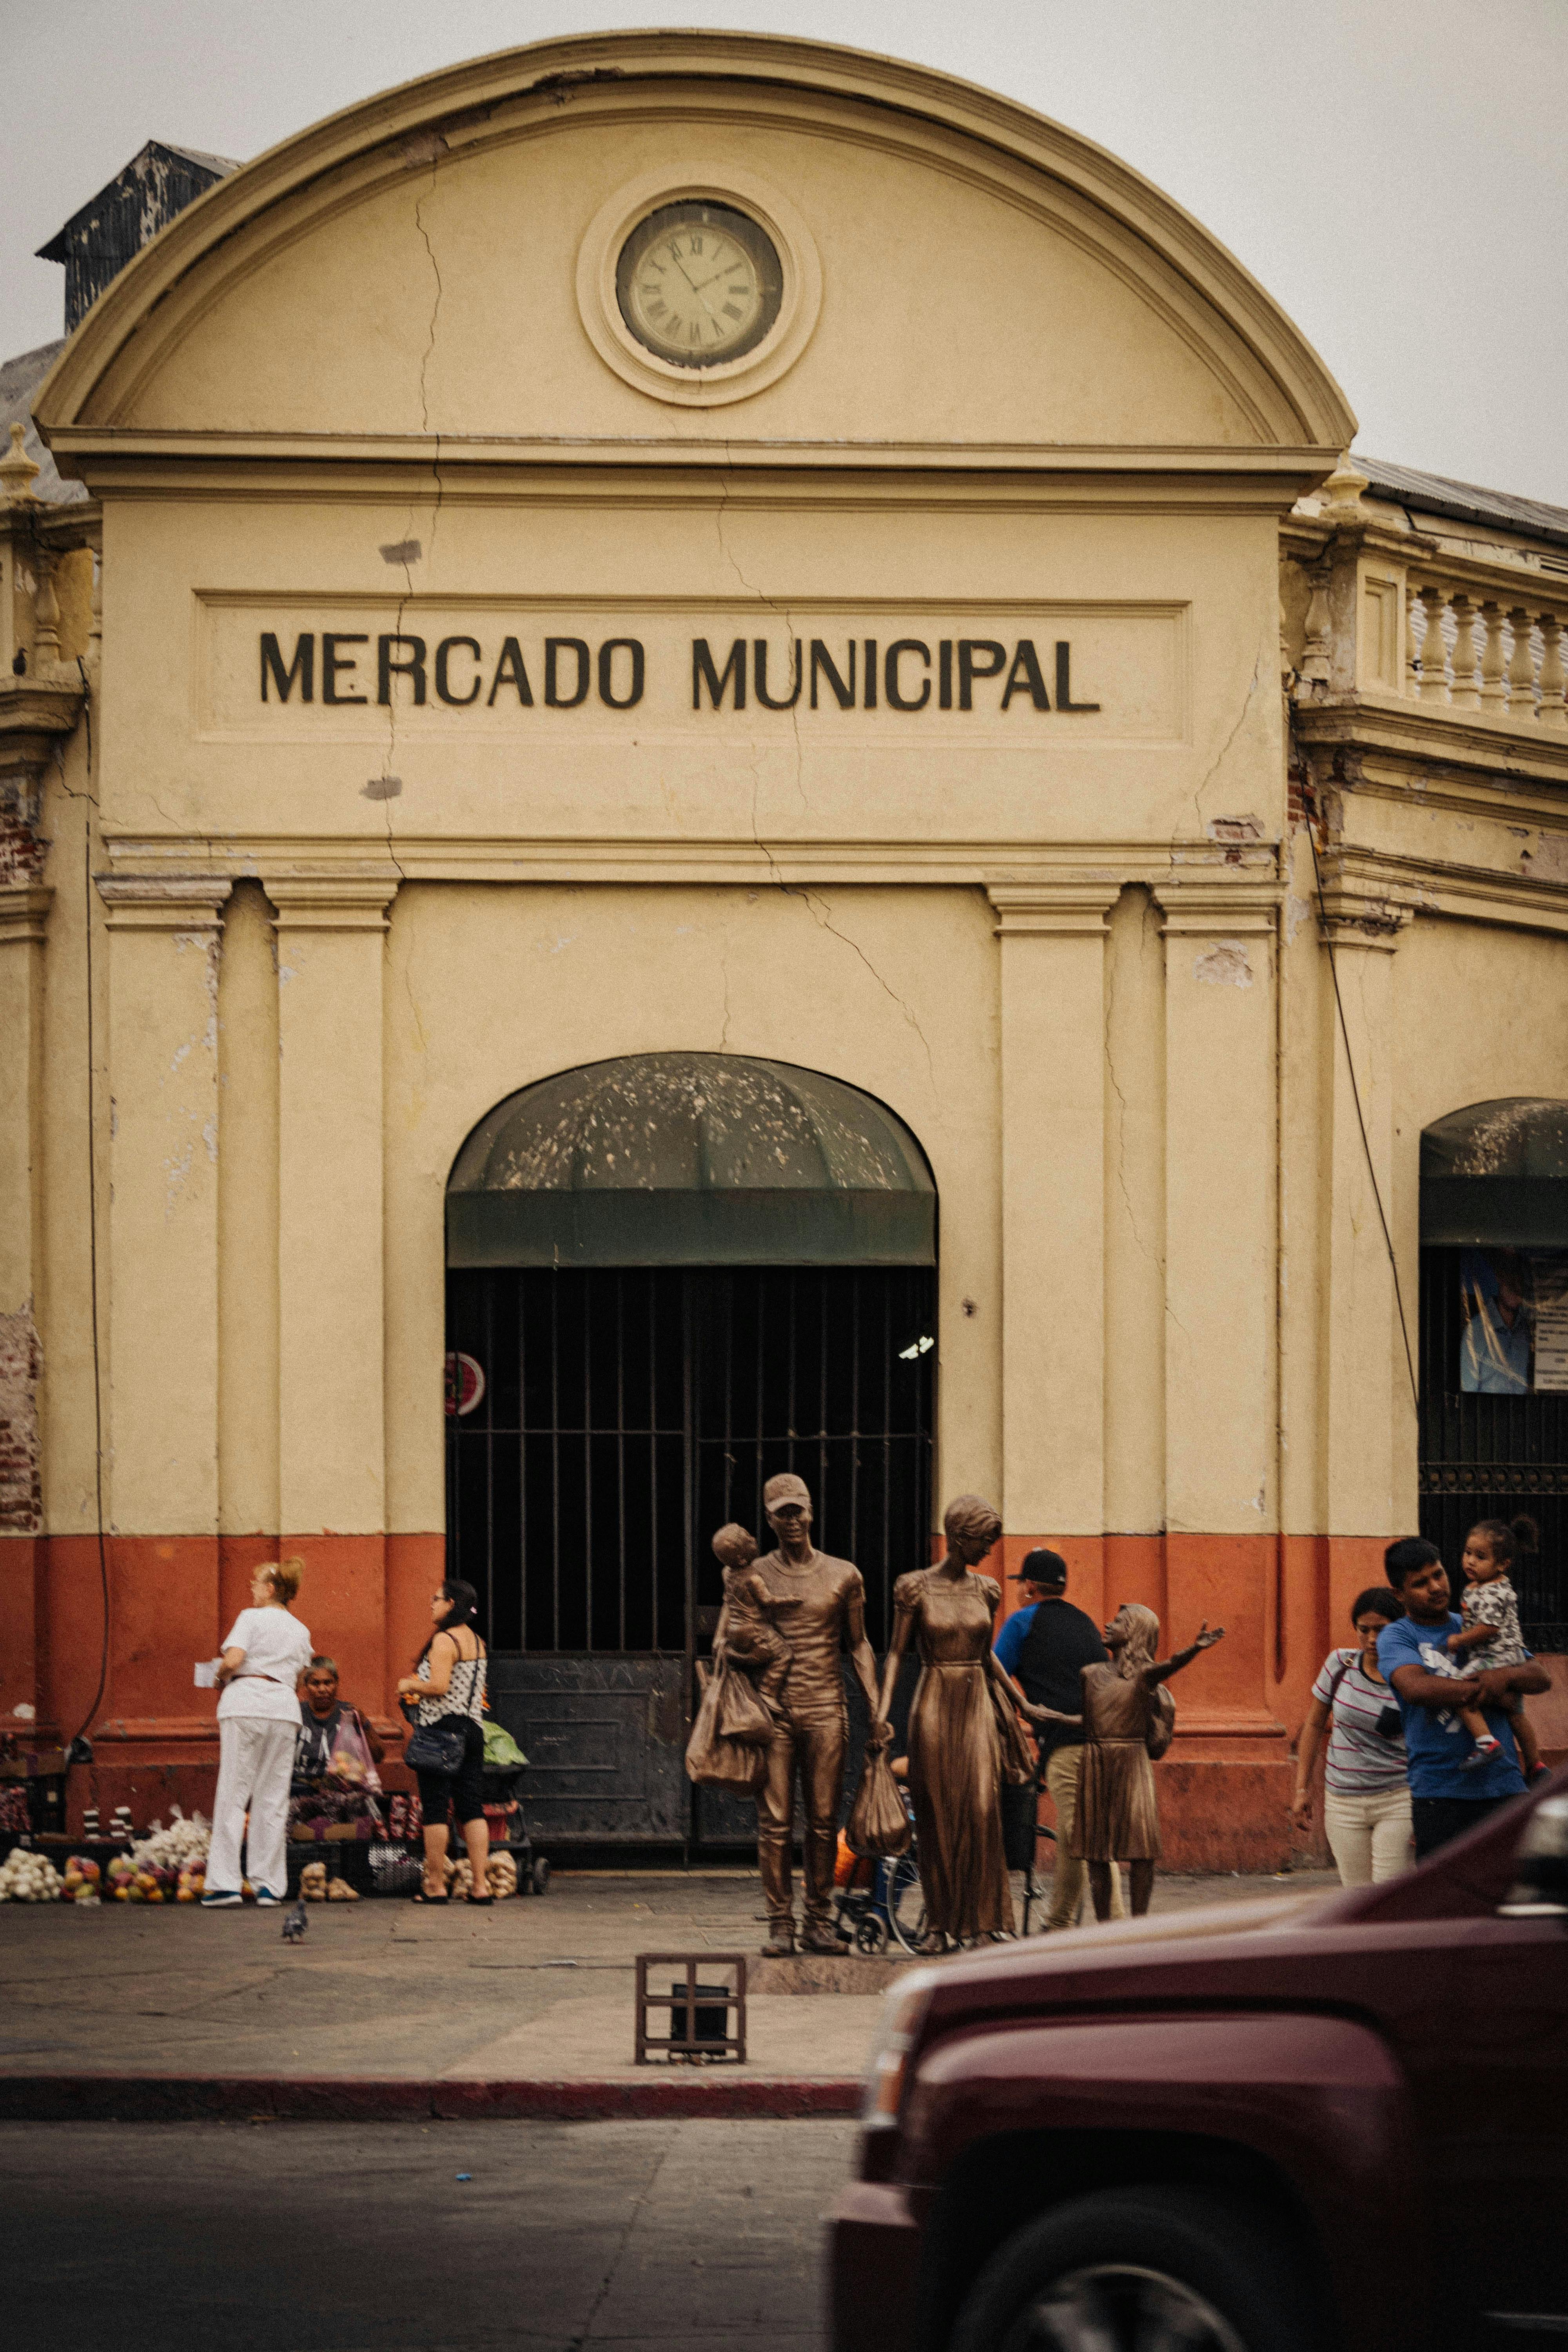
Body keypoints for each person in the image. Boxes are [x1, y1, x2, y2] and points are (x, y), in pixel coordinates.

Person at [873, 1495, 1038, 1951]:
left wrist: (1023, 1706)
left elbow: (987, 1658)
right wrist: (881, 1714)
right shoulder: (914, 1588)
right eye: (984, 1541)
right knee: (936, 1815)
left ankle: (984, 1924)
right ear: (961, 1537)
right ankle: (938, 1925)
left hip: (976, 1705)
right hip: (934, 1702)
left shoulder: (986, 1590)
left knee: (983, 1813)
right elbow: (895, 1656)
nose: (989, 1550)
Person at [746, 1472, 884, 1958]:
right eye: (781, 1513)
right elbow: (732, 1638)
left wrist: (876, 1704)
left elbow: (859, 1644)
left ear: (810, 1512)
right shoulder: (754, 1574)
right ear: (768, 1519)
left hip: (827, 1708)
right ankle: (781, 1923)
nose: (791, 1520)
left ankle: (818, 1921)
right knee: (775, 1823)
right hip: (776, 1713)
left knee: (824, 1821)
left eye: (797, 1510)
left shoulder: (844, 1574)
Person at [1031, 1602, 1224, 1920]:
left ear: (1134, 1632)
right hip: (1097, 1761)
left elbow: (1170, 1665)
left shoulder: (1145, 1676)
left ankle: (1139, 1925)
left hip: (1132, 1763)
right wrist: (1054, 1717)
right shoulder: (1090, 1675)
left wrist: (1194, 1649)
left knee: (1141, 1851)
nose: (1108, 1624)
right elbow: (1094, 1722)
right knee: (1097, 1852)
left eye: (1119, 1621)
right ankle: (1107, 1925)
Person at [1379, 1537, 1550, 1860]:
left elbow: (1540, 1677)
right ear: (1399, 1595)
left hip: (1504, 1787)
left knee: (1505, 1900)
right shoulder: (1398, 1636)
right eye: (1420, 1583)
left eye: (1438, 1575)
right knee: (1444, 1903)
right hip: (1440, 1793)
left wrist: (1500, 1677)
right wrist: (1491, 1693)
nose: (1435, 1587)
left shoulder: (1475, 1626)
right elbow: (1417, 1689)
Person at [993, 1549, 1125, 1928]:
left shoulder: (1021, 1623)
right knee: (1088, 1833)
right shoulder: (1084, 1622)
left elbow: (995, 1672)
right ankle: (1080, 1923)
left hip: (1066, 1744)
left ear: (1030, 1587)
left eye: (1022, 1586)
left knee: (1077, 1833)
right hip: (1104, 1741)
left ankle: (1088, 1924)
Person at [204, 1559, 314, 1908]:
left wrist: (218, 1676)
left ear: (270, 1589)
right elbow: (300, 1678)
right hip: (283, 1710)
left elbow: (234, 1660)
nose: (251, 1588)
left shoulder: (250, 1618)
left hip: (245, 1705)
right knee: (273, 1798)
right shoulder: (301, 1629)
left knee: (234, 1794)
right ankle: (268, 1886)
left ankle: (226, 1885)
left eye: (255, 1583)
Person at [1290, 1588, 1413, 1886]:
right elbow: (1315, 1725)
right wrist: (1302, 1789)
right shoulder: (1339, 1665)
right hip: (1343, 1803)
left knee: (1387, 1894)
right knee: (1356, 1897)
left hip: (1397, 1799)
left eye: (1381, 1630)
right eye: (1364, 1630)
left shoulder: (1412, 1675)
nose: (1372, 1639)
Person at [395, 1579, 492, 1906]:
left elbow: (438, 1686)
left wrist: (409, 1684)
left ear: (451, 1604)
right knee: (472, 1808)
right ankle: (480, 1886)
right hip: (473, 1731)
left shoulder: (444, 1640)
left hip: (441, 1731)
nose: (431, 1604)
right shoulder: (477, 1642)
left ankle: (435, 1885)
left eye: (436, 1599)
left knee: (436, 1808)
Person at [1443, 1518, 1545, 1779]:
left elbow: (1490, 1628)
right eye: (1468, 1553)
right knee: (1515, 1712)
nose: (1470, 1561)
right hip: (1510, 1656)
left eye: (1481, 1557)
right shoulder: (1480, 1588)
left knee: (1460, 1690)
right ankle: (1536, 1765)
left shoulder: (1491, 1591)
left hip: (1496, 1656)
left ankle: (1487, 1743)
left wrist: (1459, 1641)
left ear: (1503, 1565)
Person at [711, 1523, 793, 1717]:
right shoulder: (754, 1577)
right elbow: (767, 1600)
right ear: (741, 1558)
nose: (753, 1539)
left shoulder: (726, 1573)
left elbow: (728, 1602)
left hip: (735, 1630)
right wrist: (788, 1600)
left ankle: (740, 1658)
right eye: (747, 1538)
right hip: (753, 1629)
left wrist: (720, 1635)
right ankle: (768, 1691)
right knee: (784, 1654)